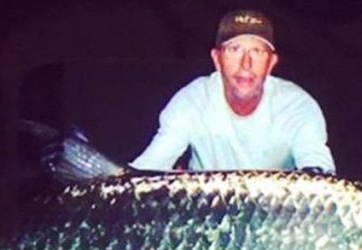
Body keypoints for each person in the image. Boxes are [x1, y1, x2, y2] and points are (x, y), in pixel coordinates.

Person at [130, 9, 336, 174]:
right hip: (204, 216)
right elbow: (150, 166)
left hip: (278, 218)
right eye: (235, 50)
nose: (246, 64)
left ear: (271, 62)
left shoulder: (297, 106)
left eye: (257, 51)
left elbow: (318, 166)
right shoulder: (191, 101)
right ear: (217, 59)